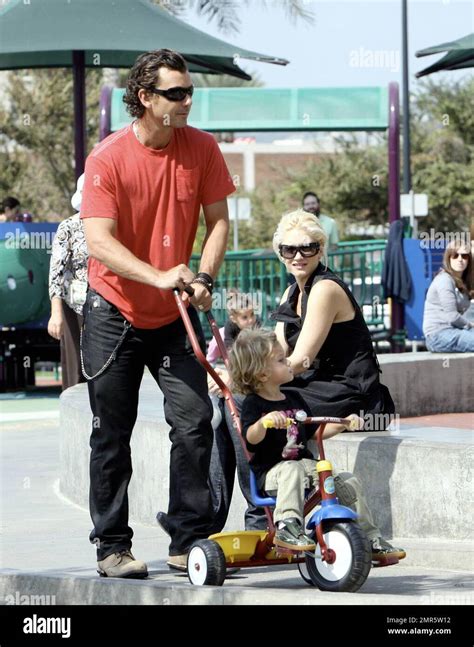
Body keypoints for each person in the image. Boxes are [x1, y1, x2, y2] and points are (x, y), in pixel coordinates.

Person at [80, 48, 235, 578]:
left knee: (195, 422)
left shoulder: (203, 148)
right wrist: (159, 274)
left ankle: (188, 539)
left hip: (174, 313)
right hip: (113, 311)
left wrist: (203, 278)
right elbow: (97, 241)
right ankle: (112, 548)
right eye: (175, 94)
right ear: (145, 98)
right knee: (111, 431)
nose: (186, 101)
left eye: (190, 92)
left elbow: (218, 222)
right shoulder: (108, 158)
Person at [201, 209, 404, 563]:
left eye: (308, 248)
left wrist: (241, 379)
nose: (298, 256)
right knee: (227, 404)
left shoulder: (324, 289)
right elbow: (274, 352)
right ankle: (219, 512)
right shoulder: (289, 292)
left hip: (347, 389)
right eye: (289, 249)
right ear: (279, 251)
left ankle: (257, 511)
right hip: (313, 386)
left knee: (248, 396)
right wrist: (232, 371)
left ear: (321, 249)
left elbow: (299, 361)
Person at [231, 327, 363, 551]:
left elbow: (313, 430)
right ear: (263, 374)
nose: (289, 362)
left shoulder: (294, 397)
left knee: (347, 480)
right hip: (274, 474)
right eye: (282, 360)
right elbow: (250, 439)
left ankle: (366, 534)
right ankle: (287, 524)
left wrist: (344, 424)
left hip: (304, 467)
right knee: (292, 469)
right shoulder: (255, 404)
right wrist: (263, 422)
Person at [48, 174, 88, 390]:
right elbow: (56, 272)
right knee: (76, 369)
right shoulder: (68, 227)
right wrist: (56, 314)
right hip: (75, 304)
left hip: (108, 303)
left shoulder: (114, 224)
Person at [423, 241, 473, 352]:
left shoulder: (462, 282)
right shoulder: (444, 280)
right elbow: (452, 316)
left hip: (455, 331)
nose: (460, 259)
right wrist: (470, 324)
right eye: (455, 255)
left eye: (464, 256)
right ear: (448, 259)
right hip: (438, 335)